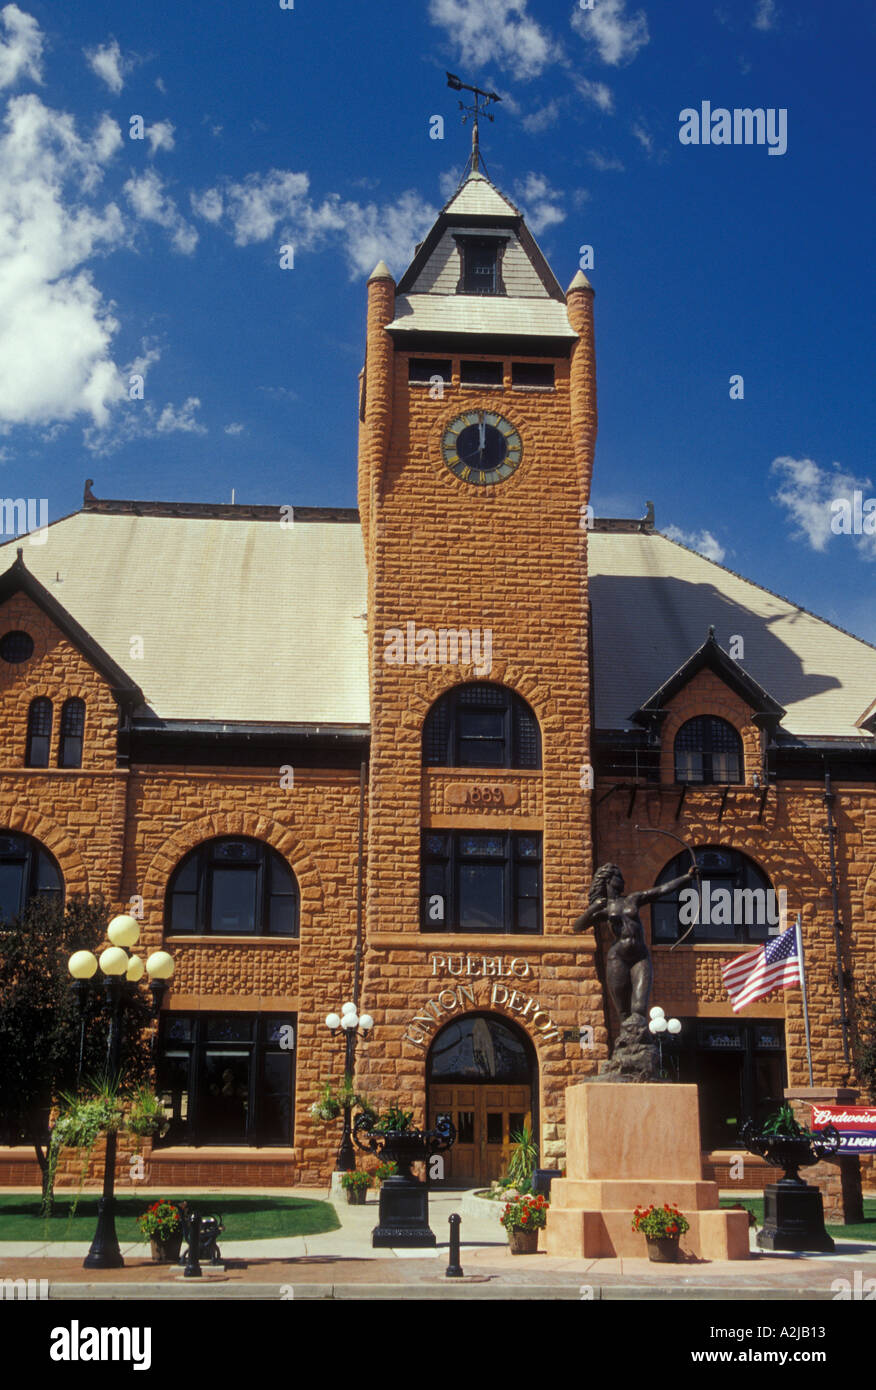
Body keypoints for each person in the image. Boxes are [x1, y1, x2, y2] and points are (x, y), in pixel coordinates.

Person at [573, 861, 699, 1036]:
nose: (623, 881)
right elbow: (578, 926)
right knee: (623, 1012)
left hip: (639, 957)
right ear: (608, 880)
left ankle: (639, 1047)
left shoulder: (633, 899)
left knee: (639, 1008)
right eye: (619, 877)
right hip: (618, 958)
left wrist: (686, 877)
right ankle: (626, 1049)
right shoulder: (605, 907)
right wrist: (593, 908)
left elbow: (661, 890)